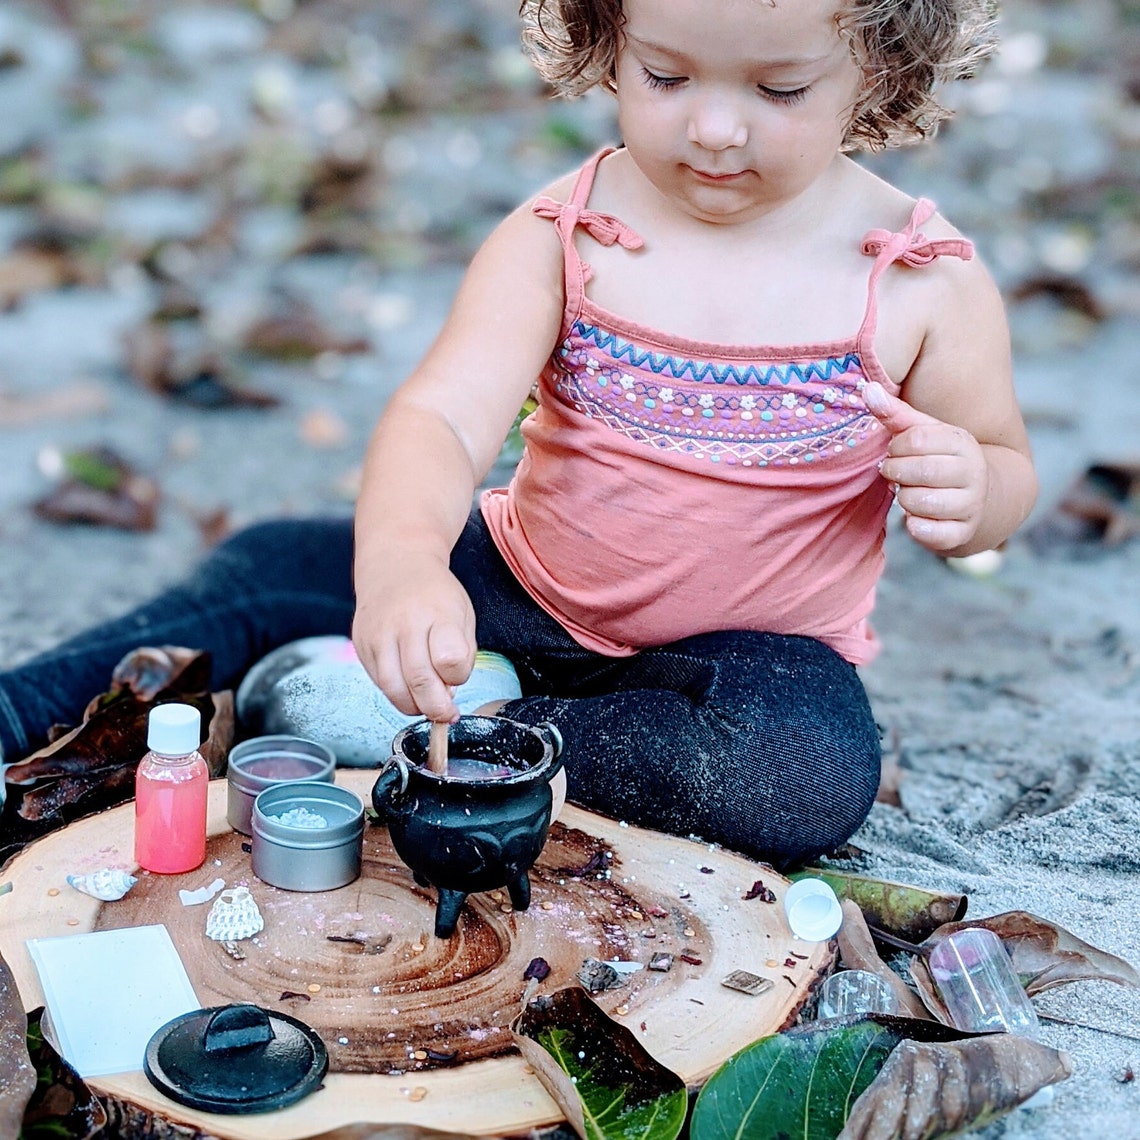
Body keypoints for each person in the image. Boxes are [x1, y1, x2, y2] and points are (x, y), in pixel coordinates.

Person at [0, 0, 1036, 869]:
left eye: (779, 91)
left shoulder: (917, 278)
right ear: (608, 36)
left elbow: (1002, 461)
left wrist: (970, 490)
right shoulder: (569, 233)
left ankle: (463, 741)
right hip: (523, 588)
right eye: (666, 77)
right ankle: (22, 714)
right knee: (269, 565)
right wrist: (406, 568)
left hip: (739, 662)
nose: (715, 130)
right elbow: (443, 417)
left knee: (804, 774)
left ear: (880, 63)